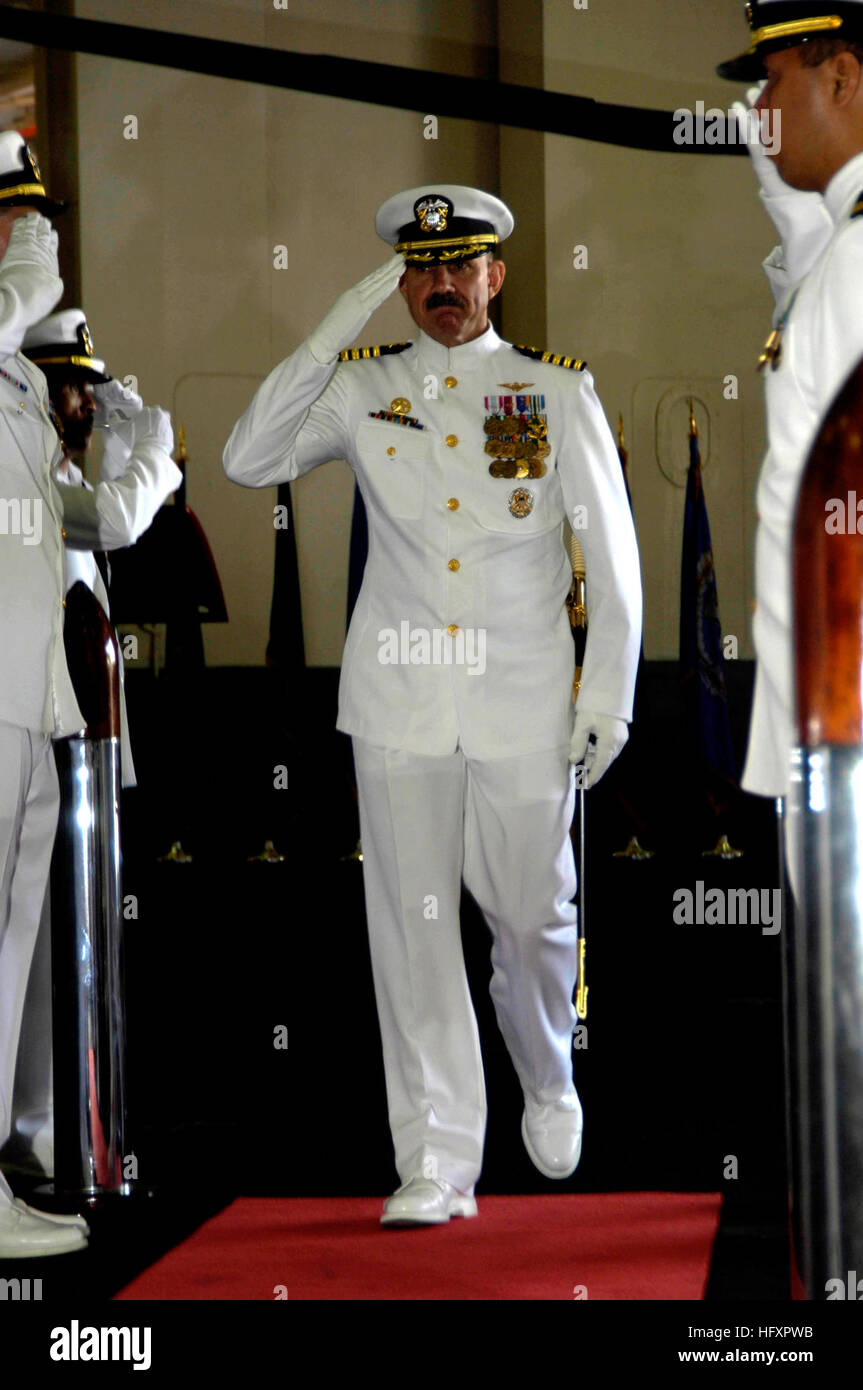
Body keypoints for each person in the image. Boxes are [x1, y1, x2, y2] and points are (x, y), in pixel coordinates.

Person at [223, 185, 642, 1225]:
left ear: (495, 275)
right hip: (400, 704)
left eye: (460, 267)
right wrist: (328, 330)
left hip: (524, 703)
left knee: (533, 919)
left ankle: (546, 1072)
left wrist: (609, 693)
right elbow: (245, 457)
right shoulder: (362, 388)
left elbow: (614, 556)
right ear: (400, 284)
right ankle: (435, 1160)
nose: (441, 287)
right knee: (411, 934)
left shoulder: (550, 390)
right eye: (421, 271)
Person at [0, 130, 179, 1255]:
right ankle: (30, 1135)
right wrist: (147, 449)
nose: (29, 239)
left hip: (34, 703)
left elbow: (85, 519)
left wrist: (131, 442)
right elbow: (102, 520)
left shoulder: (17, 388)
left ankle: (21, 1154)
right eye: (13, 223)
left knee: (15, 945)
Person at [718, 1, 863, 809]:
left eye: (770, 85)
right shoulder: (841, 253)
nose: (754, 116)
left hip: (843, 731)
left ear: (840, 76)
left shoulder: (854, 263)